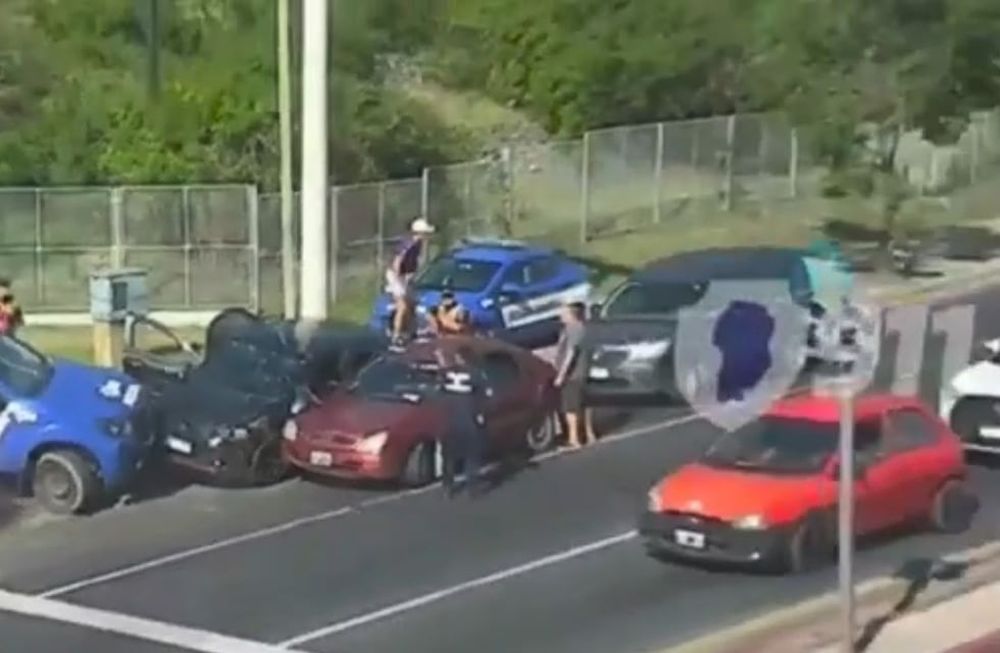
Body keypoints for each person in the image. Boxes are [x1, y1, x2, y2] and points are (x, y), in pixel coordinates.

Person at [434, 346, 490, 497]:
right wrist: (481, 415)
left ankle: (448, 485)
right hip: (468, 420)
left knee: (449, 456)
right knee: (471, 454)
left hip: (449, 420)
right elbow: (485, 397)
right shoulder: (476, 374)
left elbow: (438, 393)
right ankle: (472, 486)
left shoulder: (446, 374)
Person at [386, 217, 435, 345]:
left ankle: (411, 332)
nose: (427, 236)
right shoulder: (409, 244)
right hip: (396, 276)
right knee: (402, 306)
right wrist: (399, 279)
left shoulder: (418, 244)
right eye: (425, 233)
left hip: (405, 276)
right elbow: (398, 261)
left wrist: (411, 275)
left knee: (412, 304)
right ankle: (396, 335)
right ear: (419, 232)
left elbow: (412, 263)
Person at [553, 301, 595, 449]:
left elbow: (571, 353)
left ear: (571, 314)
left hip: (574, 375)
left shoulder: (573, 329)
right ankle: (590, 435)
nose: (560, 315)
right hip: (584, 371)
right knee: (584, 405)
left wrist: (561, 375)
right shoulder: (584, 328)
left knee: (571, 408)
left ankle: (573, 439)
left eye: (563, 313)